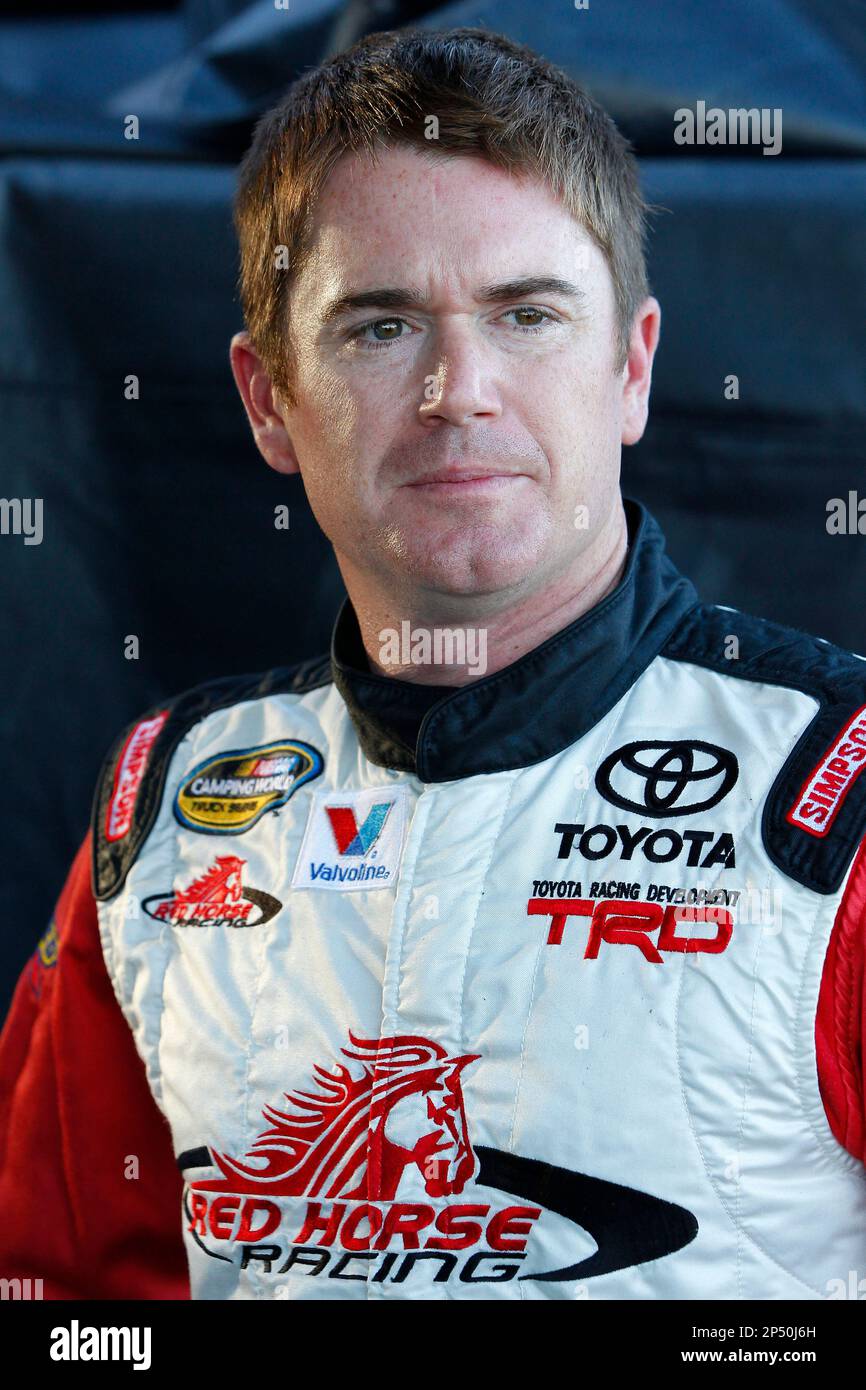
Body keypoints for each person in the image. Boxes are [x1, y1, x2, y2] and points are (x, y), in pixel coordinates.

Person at [2, 24, 865, 1303]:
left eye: (525, 314)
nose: (458, 389)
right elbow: (66, 1306)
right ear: (267, 400)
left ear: (628, 367)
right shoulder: (166, 809)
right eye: (378, 325)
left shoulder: (836, 802)